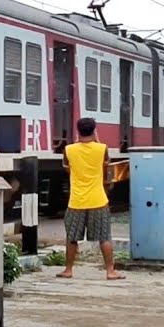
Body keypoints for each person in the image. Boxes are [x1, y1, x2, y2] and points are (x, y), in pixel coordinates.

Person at [59, 117, 124, 281]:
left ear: (77, 131)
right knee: (104, 237)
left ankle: (68, 270)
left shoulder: (69, 149)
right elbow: (105, 164)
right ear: (94, 130)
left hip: (76, 201)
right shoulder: (102, 148)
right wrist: (97, 140)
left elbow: (66, 167)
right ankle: (110, 271)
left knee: (72, 238)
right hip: (98, 200)